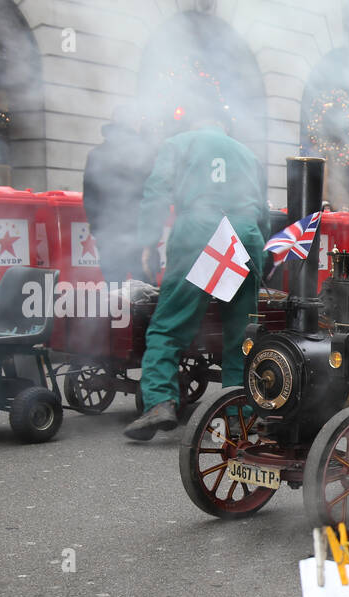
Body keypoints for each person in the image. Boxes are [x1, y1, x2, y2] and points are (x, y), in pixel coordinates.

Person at [125, 102, 268, 440]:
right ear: (224, 126)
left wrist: (147, 242)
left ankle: (160, 401)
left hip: (199, 231)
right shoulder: (247, 154)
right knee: (240, 332)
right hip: (244, 234)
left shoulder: (179, 143)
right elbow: (263, 210)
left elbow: (156, 191)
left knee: (168, 325)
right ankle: (236, 413)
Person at [83, 104, 157, 285]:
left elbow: (90, 196)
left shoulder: (97, 154)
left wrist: (98, 228)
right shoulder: (147, 152)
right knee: (145, 288)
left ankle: (117, 314)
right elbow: (155, 194)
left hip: (108, 232)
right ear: (135, 122)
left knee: (114, 288)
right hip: (140, 231)